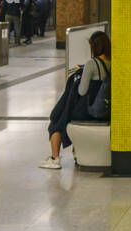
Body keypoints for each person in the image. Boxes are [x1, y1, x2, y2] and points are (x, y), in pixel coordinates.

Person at [40, 30, 111, 170]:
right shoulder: (111, 62)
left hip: (89, 110)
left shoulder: (92, 63)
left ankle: (54, 158)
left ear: (94, 47)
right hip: (105, 108)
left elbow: (82, 91)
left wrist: (83, 71)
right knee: (61, 116)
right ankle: (74, 152)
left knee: (57, 120)